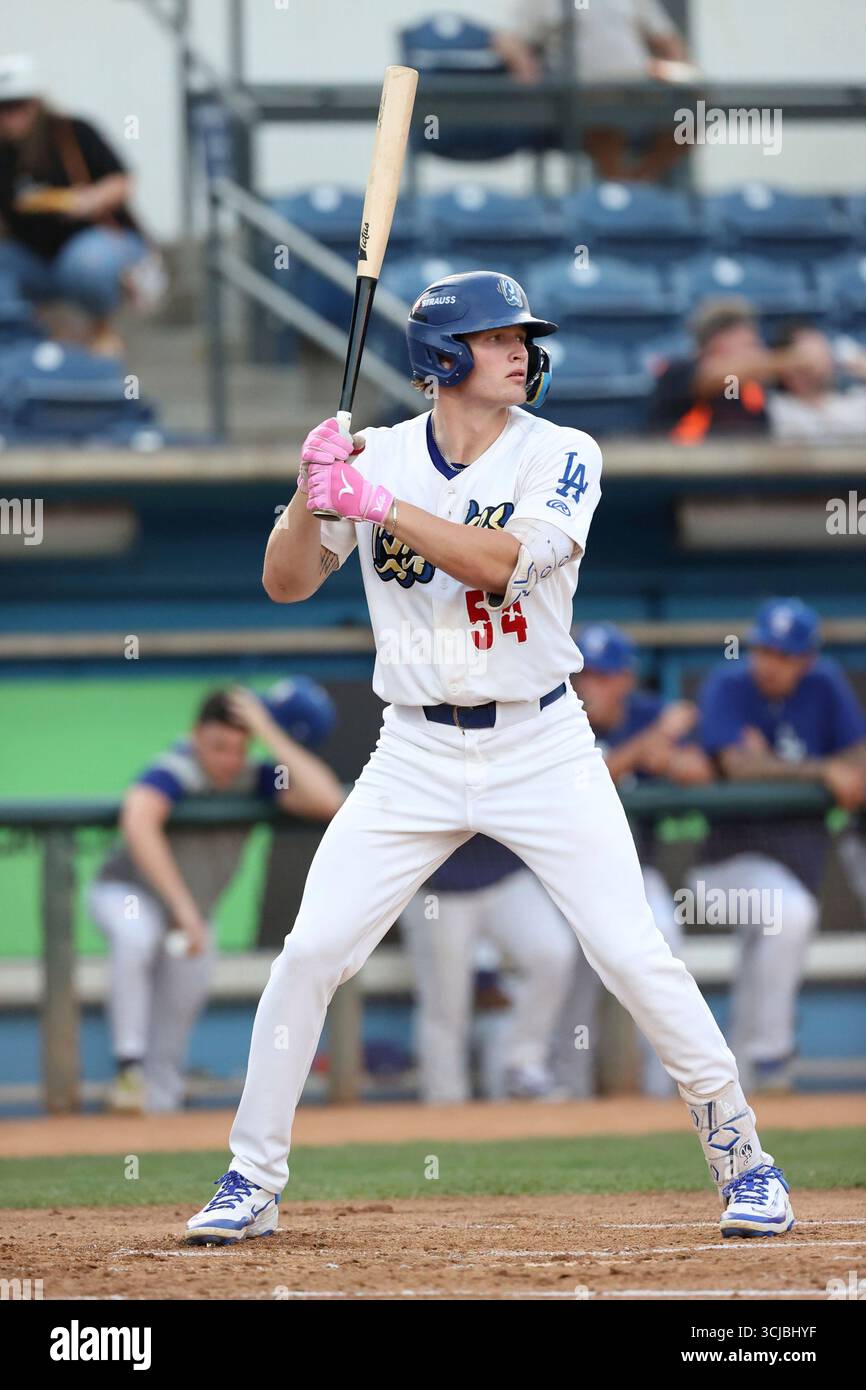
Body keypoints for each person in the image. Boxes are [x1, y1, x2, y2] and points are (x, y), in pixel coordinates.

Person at [186, 269, 794, 1245]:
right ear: (439, 358)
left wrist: (371, 500)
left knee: (633, 952)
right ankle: (249, 1178)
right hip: (411, 747)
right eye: (495, 335)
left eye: (522, 335)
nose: (519, 348)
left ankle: (745, 1162)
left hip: (540, 739)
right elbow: (284, 582)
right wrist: (309, 499)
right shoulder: (377, 454)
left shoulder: (561, 454)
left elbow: (500, 564)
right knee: (307, 953)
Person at [87, 687, 345, 1113]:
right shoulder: (177, 765)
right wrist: (184, 908)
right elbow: (138, 818)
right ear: (195, 735)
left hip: (193, 915)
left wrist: (268, 731)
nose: (228, 758)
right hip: (128, 893)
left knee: (175, 1029)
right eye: (218, 746)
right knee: (137, 936)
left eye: (239, 748)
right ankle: (127, 1066)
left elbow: (328, 799)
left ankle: (154, 1107)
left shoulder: (255, 775)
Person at [695, 599, 866, 1092]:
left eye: (783, 654)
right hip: (719, 869)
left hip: (795, 865)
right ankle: (772, 1054)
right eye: (763, 649)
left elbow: (857, 757)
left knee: (767, 946)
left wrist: (779, 762)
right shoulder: (729, 683)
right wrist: (820, 767)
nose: (768, 663)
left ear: (807, 658)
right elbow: (737, 766)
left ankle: (743, 1082)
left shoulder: (825, 683)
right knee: (786, 912)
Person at [551, 621, 712, 1098]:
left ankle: (667, 1091)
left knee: (665, 947)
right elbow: (585, 779)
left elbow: (699, 769)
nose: (590, 685)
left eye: (603, 674)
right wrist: (643, 749)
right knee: (569, 971)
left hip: (635, 871)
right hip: (560, 873)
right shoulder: (554, 712)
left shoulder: (647, 713)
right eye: (584, 673)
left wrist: (675, 760)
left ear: (624, 678)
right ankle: (564, 1093)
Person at [401, 833, 577, 1103]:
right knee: (445, 1005)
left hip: (507, 871)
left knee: (552, 953)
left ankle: (523, 1065)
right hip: (434, 886)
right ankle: (445, 1100)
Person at [0, 53, 152, 354]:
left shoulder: (72, 132)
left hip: (95, 244)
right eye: (2, 109)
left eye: (17, 106)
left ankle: (100, 328)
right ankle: (25, 343)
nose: (9, 117)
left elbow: (122, 180)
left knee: (85, 264)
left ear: (36, 103)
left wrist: (89, 200)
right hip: (35, 256)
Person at [494, 0, 697, 182]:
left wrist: (680, 70)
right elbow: (508, 39)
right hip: (584, 89)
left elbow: (666, 39)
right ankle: (617, 186)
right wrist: (527, 70)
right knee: (604, 109)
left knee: (696, 109)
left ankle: (638, 182)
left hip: (640, 83)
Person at [649, 298, 831, 442]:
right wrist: (793, 358)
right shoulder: (680, 372)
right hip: (681, 478)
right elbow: (717, 376)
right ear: (716, 343)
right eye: (746, 344)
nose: (756, 348)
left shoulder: (749, 390)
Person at [766, 321, 866, 441]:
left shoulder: (854, 402)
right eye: (811, 351)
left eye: (825, 349)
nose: (825, 356)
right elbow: (736, 376)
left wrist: (855, 359)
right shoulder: (777, 407)